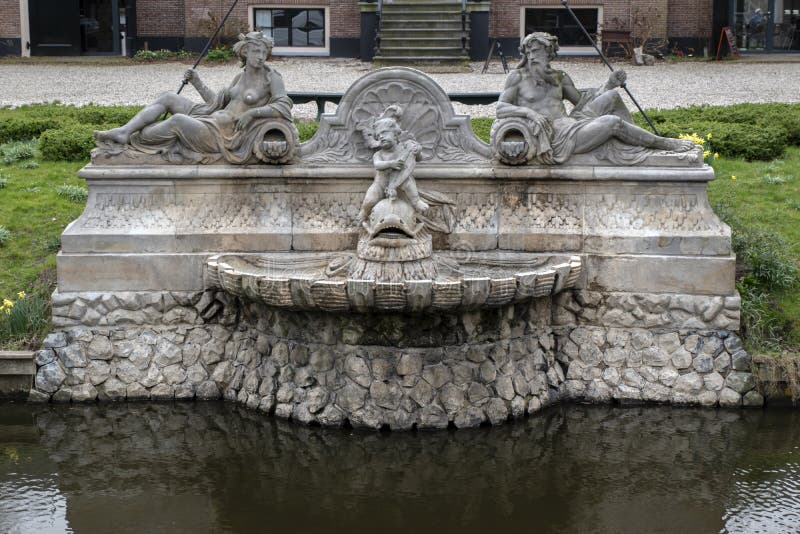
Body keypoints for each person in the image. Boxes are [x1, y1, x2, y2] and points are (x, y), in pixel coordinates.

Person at [496, 32, 694, 165]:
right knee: (612, 122)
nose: (531, 56)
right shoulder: (518, 77)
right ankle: (662, 143)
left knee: (612, 96)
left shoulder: (560, 77)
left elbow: (582, 105)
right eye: (528, 51)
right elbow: (501, 108)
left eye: (536, 51)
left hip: (571, 124)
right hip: (555, 138)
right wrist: (529, 113)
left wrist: (608, 84)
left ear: (549, 53)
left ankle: (631, 145)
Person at [94, 32, 293, 163]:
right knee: (169, 97)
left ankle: (139, 139)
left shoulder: (271, 77)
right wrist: (197, 82)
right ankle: (124, 131)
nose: (261, 56)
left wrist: (252, 114)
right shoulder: (239, 77)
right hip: (211, 118)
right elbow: (215, 104)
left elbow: (283, 105)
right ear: (245, 51)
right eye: (256, 51)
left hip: (224, 136)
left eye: (264, 52)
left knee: (177, 122)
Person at [357, 105, 428, 222]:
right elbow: (378, 165)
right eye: (378, 135)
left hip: (400, 182)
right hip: (380, 184)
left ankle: (416, 201)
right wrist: (391, 163)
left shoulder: (405, 148)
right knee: (370, 199)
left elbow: (418, 159)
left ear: (395, 134)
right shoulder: (379, 154)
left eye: (384, 133)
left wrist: (418, 151)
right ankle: (364, 212)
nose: (381, 137)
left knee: (408, 182)